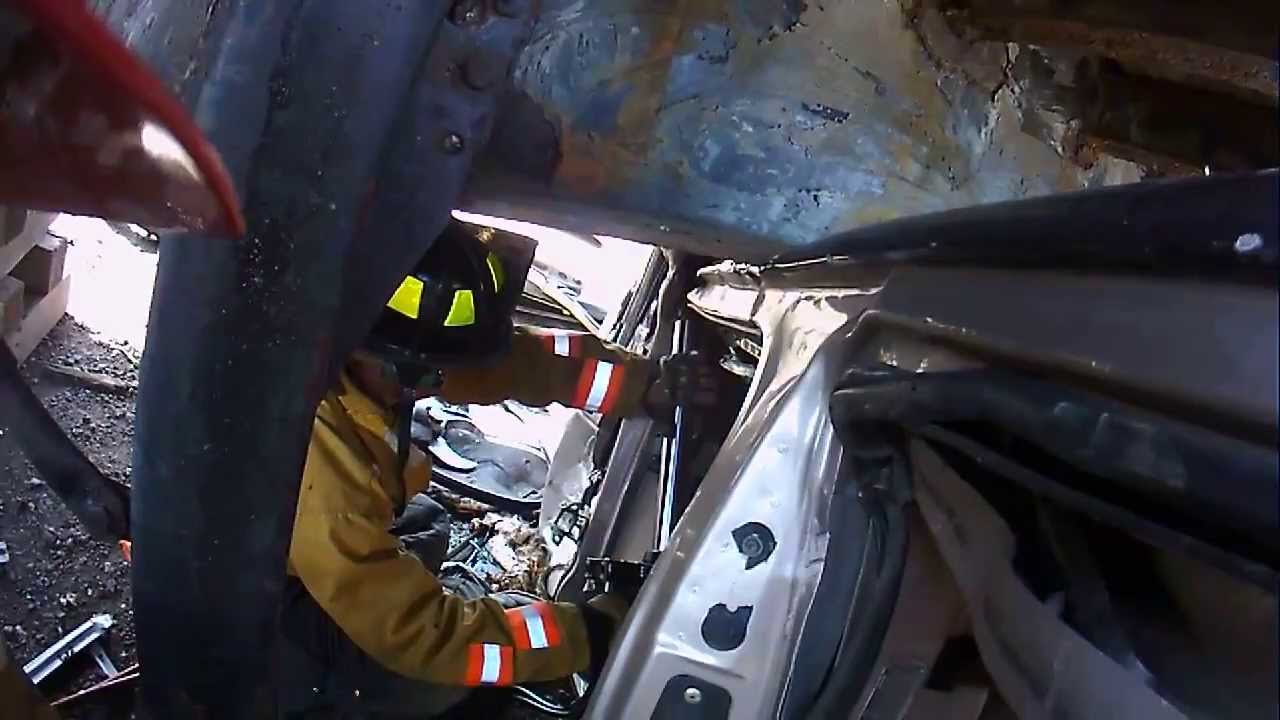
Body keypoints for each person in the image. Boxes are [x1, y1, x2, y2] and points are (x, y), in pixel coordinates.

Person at [278, 221, 714, 717]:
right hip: (252, 591)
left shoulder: (365, 343)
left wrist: (642, 384)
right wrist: (588, 633)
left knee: (426, 522)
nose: (441, 383)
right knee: (430, 682)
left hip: (308, 537)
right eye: (431, 373)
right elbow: (421, 636)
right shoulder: (320, 466)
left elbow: (509, 364)